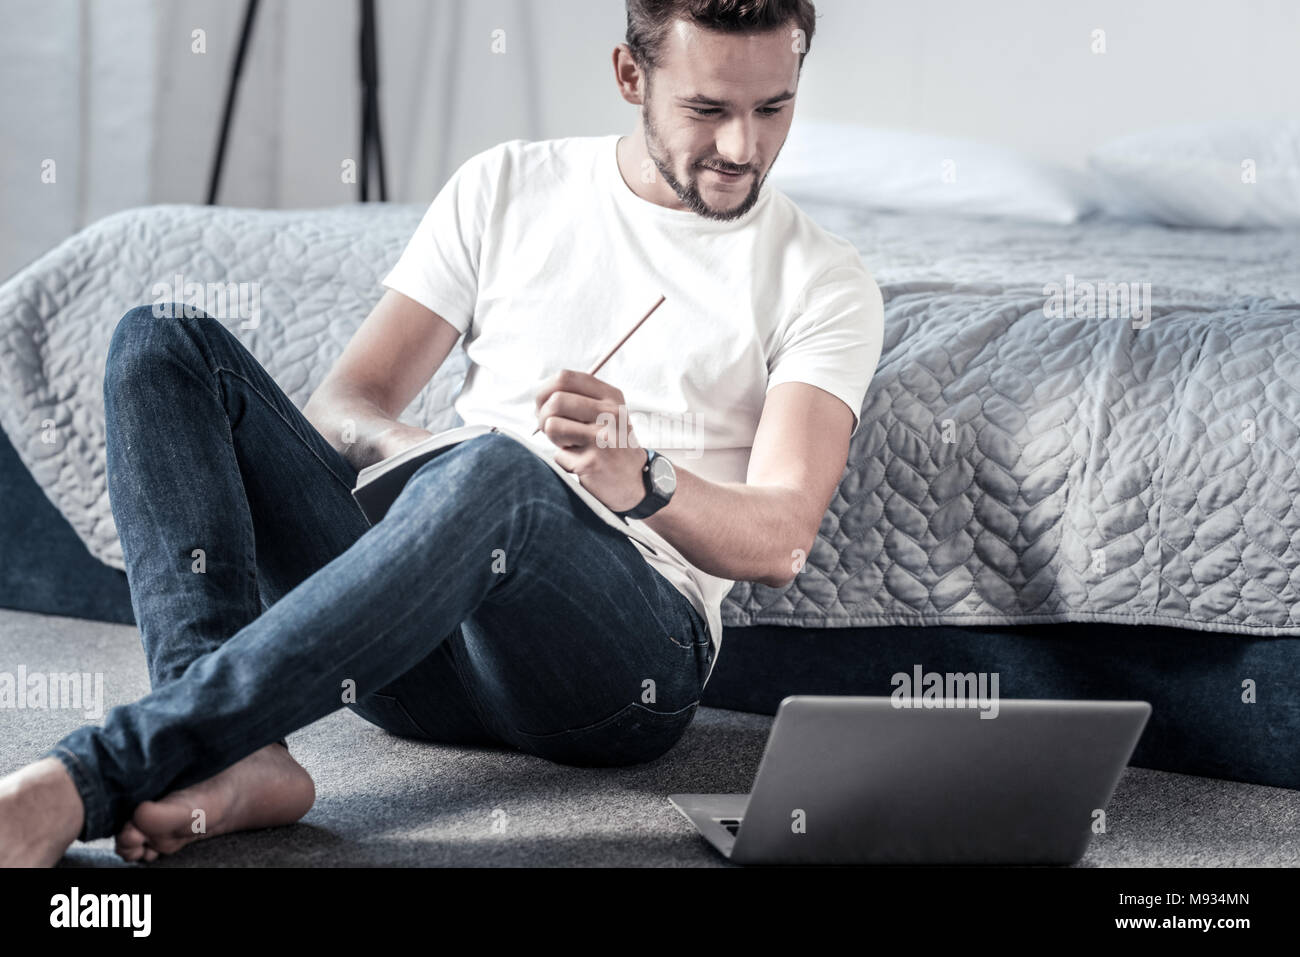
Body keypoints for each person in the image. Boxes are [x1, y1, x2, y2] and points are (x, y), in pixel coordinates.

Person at [0, 0, 883, 867]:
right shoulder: (507, 184)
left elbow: (782, 536)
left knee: (501, 472)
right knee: (161, 342)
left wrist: (640, 477)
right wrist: (415, 457)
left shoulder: (820, 279)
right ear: (629, 76)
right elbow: (345, 403)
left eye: (773, 108)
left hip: (619, 665)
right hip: (412, 638)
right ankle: (240, 751)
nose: (742, 147)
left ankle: (95, 771)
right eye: (707, 109)